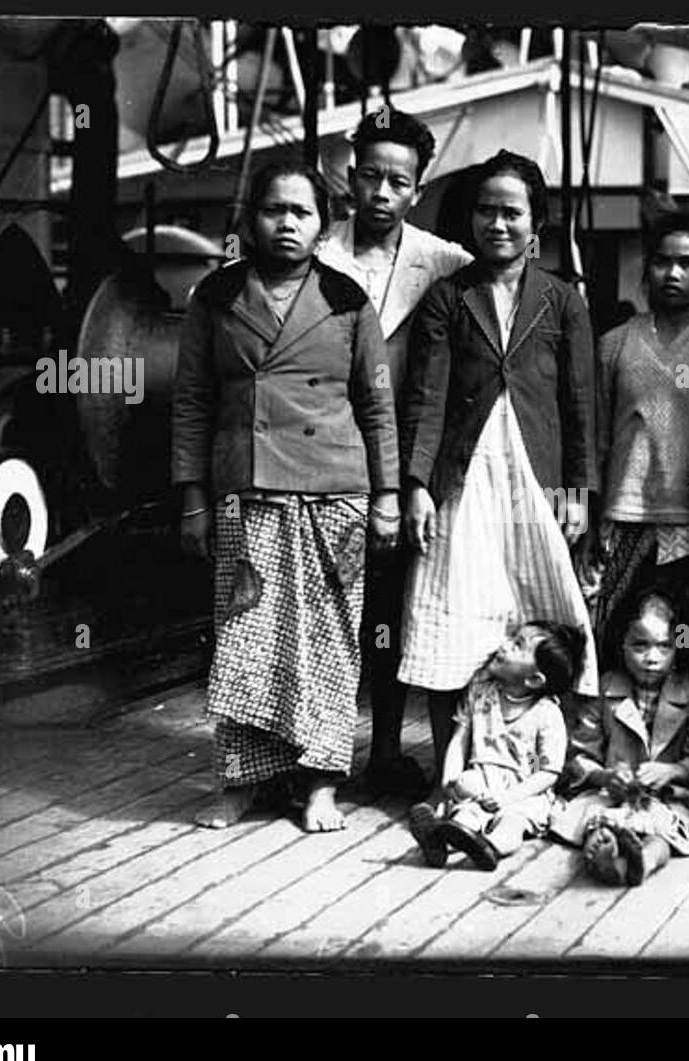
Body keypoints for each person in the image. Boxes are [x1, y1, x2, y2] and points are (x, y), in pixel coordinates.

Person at [171, 162, 399, 832]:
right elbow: (191, 403)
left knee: (329, 642)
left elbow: (377, 407)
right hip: (248, 489)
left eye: (301, 212)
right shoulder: (213, 298)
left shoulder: (348, 299)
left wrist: (386, 497)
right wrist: (191, 499)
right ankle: (244, 781)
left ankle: (322, 780)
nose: (287, 224)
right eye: (274, 210)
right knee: (246, 639)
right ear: (251, 220)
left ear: (322, 224)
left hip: (333, 491)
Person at [397, 149, 599, 784]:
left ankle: (545, 764)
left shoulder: (562, 301)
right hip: (465, 476)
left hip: (534, 479)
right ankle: (449, 774)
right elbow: (426, 401)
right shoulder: (447, 298)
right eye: (486, 211)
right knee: (452, 608)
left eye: (512, 212)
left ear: (535, 221)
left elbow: (580, 404)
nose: (498, 224)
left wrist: (577, 492)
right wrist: (418, 486)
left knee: (546, 608)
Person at [318, 107, 472, 798]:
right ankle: (316, 756)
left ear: (417, 187)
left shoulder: (445, 261)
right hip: (327, 457)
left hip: (407, 466)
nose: (381, 193)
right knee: (326, 610)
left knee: (390, 610)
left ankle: (384, 751)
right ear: (350, 178)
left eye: (398, 181)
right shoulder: (315, 252)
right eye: (371, 176)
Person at [589, 210, 689, 679]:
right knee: (616, 635)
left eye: (687, 262)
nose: (673, 273)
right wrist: (586, 515)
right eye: (662, 261)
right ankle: (608, 744)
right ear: (646, 268)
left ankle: (680, 750)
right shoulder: (614, 344)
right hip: (624, 516)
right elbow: (597, 436)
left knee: (687, 642)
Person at [551, 593, 689, 886]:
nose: (652, 658)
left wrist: (672, 771)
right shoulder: (604, 689)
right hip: (611, 795)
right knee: (598, 823)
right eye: (640, 645)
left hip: (667, 797)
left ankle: (645, 860)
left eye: (665, 646)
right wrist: (605, 776)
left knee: (661, 832)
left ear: (680, 645)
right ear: (621, 645)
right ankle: (605, 856)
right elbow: (579, 756)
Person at [407, 621, 582, 870]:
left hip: (523, 789)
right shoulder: (481, 695)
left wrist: (507, 798)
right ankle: (443, 842)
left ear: (534, 679)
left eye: (518, 645)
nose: (505, 645)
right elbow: (460, 738)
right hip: (482, 781)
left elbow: (546, 771)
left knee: (512, 821)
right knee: (466, 811)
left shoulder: (546, 714)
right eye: (512, 638)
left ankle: (490, 847)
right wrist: (450, 777)